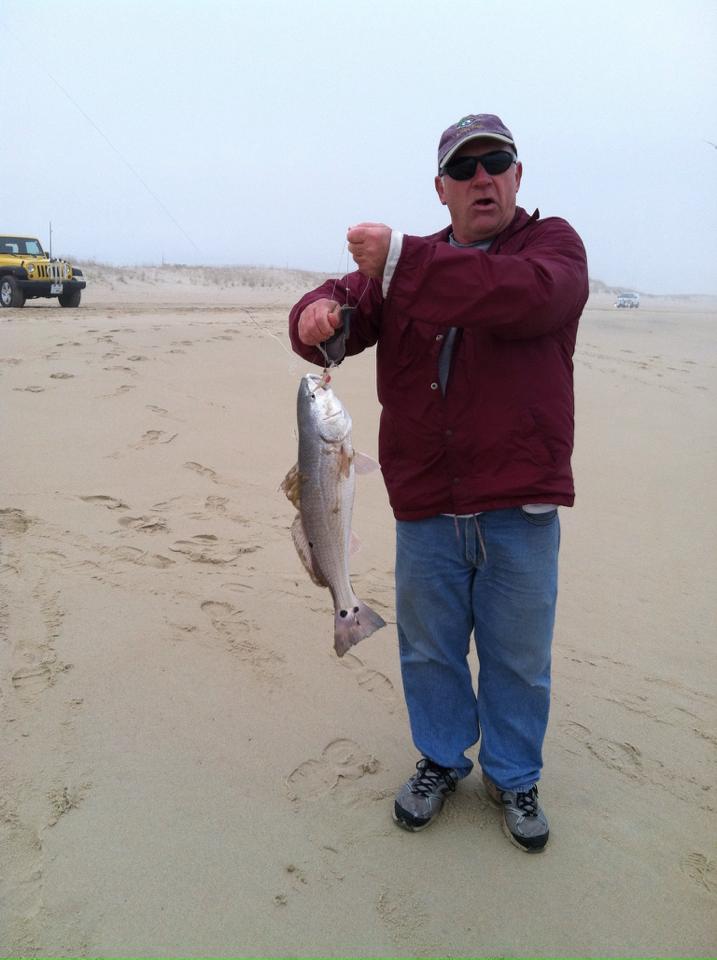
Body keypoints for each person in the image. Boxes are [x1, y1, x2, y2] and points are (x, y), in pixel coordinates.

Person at [288, 113, 588, 852]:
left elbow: (519, 296)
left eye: (496, 163)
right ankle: (441, 759)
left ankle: (514, 775)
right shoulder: (404, 272)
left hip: (519, 506)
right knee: (428, 651)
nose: (481, 178)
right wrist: (315, 317)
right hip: (425, 501)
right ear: (441, 188)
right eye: (463, 168)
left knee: (519, 658)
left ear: (517, 176)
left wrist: (400, 260)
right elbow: (336, 307)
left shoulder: (551, 250)